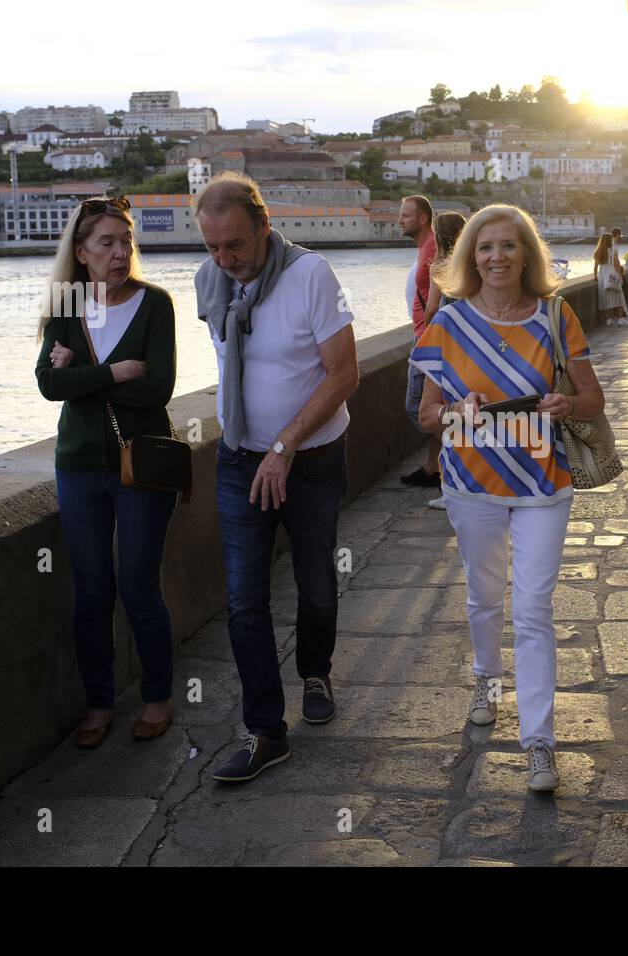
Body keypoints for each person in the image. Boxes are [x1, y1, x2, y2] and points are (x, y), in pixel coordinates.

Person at [410, 204, 607, 792]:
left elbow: (594, 399)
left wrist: (567, 404)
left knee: (533, 608)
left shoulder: (555, 315)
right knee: (484, 597)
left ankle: (539, 740)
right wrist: (454, 411)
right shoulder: (446, 324)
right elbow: (425, 416)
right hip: (471, 484)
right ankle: (485, 676)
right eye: (485, 247)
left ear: (527, 255)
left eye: (508, 247)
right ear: (470, 256)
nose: (497, 257)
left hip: (544, 484)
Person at [192, 172, 360, 783]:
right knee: (243, 600)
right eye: (211, 246)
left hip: (310, 459)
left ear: (263, 226)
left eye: (234, 244)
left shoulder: (310, 276)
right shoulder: (208, 280)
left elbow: (343, 374)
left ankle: (315, 670)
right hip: (241, 461)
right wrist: (257, 444)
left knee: (316, 583)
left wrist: (286, 444)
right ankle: (266, 731)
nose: (224, 259)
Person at [34, 195, 179, 749]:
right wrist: (114, 370)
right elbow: (48, 385)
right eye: (107, 243)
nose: (121, 254)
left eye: (127, 242)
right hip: (77, 468)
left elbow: (157, 389)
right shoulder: (66, 304)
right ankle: (98, 705)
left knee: (140, 588)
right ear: (82, 251)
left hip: (140, 465)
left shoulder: (154, 304)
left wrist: (84, 375)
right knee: (92, 593)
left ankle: (159, 696)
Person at [420, 209, 467, 510]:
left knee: (434, 413)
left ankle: (452, 487)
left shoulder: (440, 265)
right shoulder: (470, 265)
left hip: (446, 349)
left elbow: (430, 312)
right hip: (471, 348)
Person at [399, 195, 440, 491]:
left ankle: (464, 452)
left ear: (422, 218)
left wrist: (426, 336)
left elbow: (437, 300)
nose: (399, 220)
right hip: (424, 335)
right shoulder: (425, 247)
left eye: (405, 215)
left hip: (428, 340)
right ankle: (433, 468)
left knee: (417, 406)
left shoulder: (434, 248)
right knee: (433, 404)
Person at [593, 233, 626, 323]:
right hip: (612, 275)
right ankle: (620, 319)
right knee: (618, 296)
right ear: (610, 240)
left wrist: (595, 276)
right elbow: (616, 264)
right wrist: (620, 276)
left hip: (602, 277)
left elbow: (595, 267)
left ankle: (609, 319)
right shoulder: (612, 250)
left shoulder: (597, 252)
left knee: (605, 298)